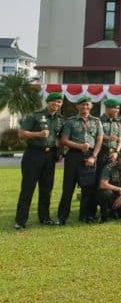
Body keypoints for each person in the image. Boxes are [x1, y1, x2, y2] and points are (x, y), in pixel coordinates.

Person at [15, 92, 64, 229]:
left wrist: (60, 152)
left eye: (59, 102)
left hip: (50, 156)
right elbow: (21, 134)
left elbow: (60, 138)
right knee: (28, 188)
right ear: (48, 102)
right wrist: (38, 134)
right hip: (34, 154)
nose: (56, 104)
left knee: (46, 188)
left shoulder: (60, 119)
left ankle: (45, 218)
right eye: (54, 101)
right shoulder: (34, 116)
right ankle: (20, 221)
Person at [57, 96, 104, 225]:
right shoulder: (70, 121)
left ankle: (86, 215)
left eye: (87, 104)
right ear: (77, 106)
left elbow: (99, 139)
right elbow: (64, 140)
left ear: (91, 106)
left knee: (88, 187)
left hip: (90, 155)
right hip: (74, 155)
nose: (85, 107)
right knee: (68, 187)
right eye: (82, 105)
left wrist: (93, 156)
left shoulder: (96, 121)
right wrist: (80, 146)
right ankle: (62, 217)